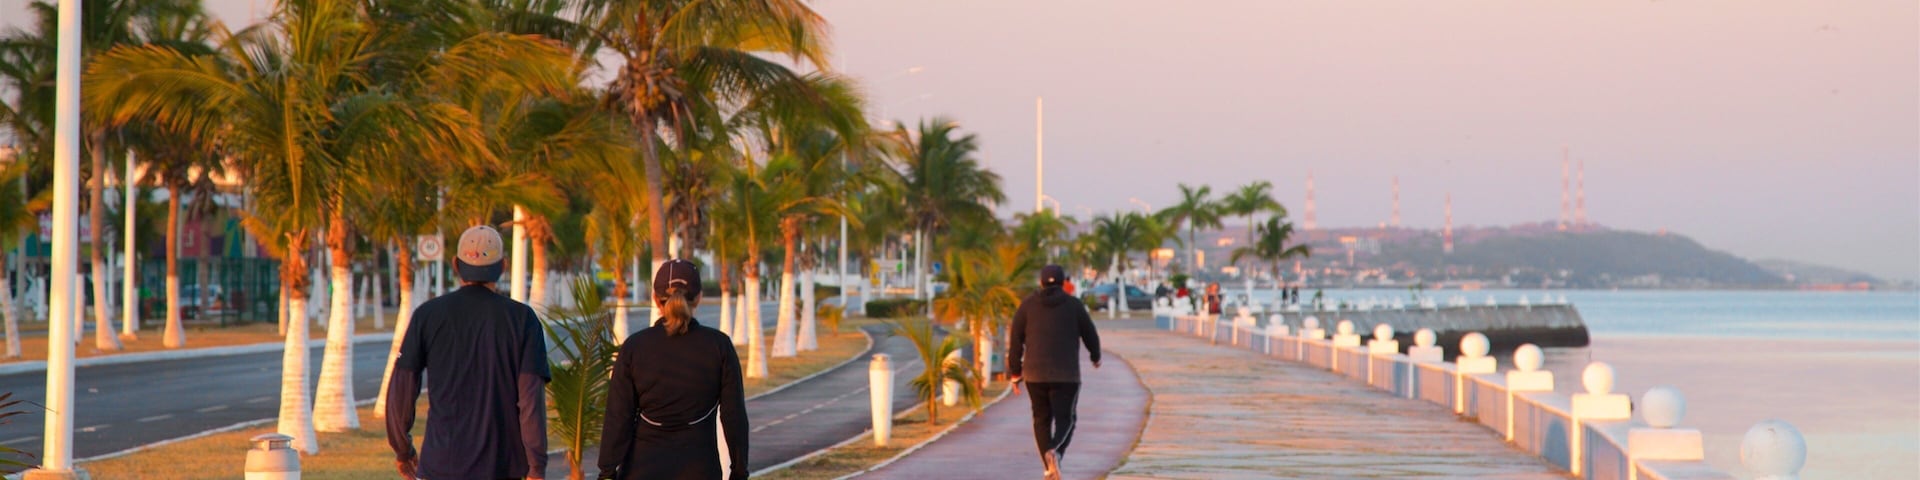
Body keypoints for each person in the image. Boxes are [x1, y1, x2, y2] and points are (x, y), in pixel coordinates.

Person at [387, 225, 549, 480]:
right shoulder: (522, 319)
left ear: (456, 264)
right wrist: (536, 467)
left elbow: (401, 391)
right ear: (503, 266)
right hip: (502, 467)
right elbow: (530, 401)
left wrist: (403, 450)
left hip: (440, 465)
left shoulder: (428, 315)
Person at [598, 259, 748, 480]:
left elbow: (618, 416)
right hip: (700, 469)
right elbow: (733, 416)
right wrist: (739, 471)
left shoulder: (635, 347)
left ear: (655, 299)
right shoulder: (719, 346)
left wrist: (607, 473)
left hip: (641, 469)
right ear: (698, 297)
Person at [1008, 265, 1102, 480]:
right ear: (1063, 283)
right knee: (1066, 419)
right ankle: (1056, 453)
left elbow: (1015, 340)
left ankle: (1048, 468)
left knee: (1041, 419)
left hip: (1034, 375)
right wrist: (1095, 356)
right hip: (1066, 375)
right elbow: (1090, 333)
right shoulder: (1074, 305)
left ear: (1041, 283)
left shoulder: (1027, 306)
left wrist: (1015, 373)